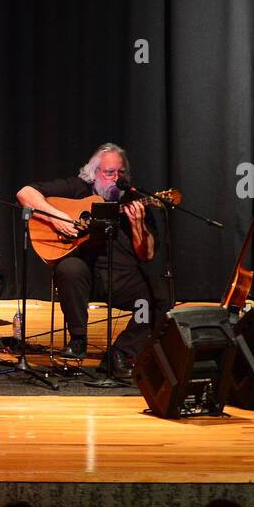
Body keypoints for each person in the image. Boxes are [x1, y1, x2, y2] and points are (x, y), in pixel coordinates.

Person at [16, 142, 171, 378]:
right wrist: (57, 218)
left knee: (161, 297)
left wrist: (138, 224)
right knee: (69, 268)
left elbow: (146, 255)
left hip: (122, 276)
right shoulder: (77, 188)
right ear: (93, 172)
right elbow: (24, 193)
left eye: (121, 172)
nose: (116, 178)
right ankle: (78, 339)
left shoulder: (135, 200)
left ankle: (120, 353)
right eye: (109, 173)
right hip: (85, 277)